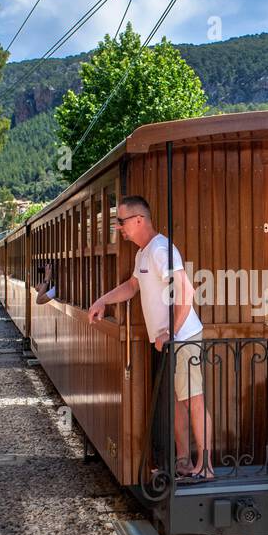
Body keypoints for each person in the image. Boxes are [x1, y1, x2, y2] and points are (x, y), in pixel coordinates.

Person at [88, 195, 213, 480]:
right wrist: (103, 301)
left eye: (121, 222)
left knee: (194, 399)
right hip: (170, 341)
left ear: (139, 220)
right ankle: (183, 460)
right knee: (180, 401)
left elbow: (186, 292)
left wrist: (171, 331)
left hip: (184, 338)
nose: (119, 228)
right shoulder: (143, 253)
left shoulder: (160, 250)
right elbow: (133, 286)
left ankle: (205, 466)